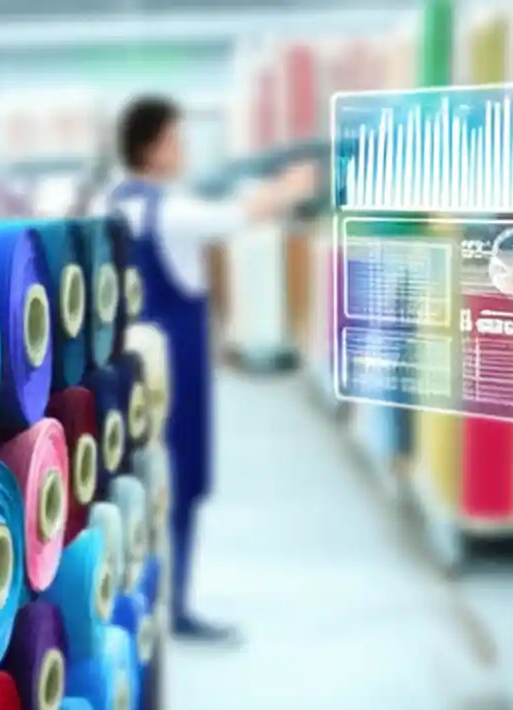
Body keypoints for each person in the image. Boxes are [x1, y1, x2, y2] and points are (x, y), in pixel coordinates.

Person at [104, 95, 316, 641]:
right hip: (176, 367)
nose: (184, 150)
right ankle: (178, 607)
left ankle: (132, 599)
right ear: (152, 148)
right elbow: (235, 217)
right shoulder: (172, 211)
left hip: (127, 361)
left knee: (129, 480)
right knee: (183, 481)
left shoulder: (116, 205)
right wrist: (290, 189)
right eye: (177, 139)